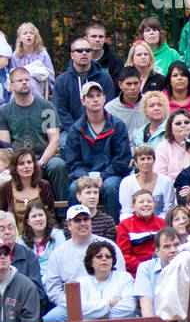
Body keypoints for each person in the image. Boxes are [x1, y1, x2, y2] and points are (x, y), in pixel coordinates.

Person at [61, 80, 132, 218]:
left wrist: (103, 176)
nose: (95, 99)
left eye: (98, 95)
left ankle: (114, 228)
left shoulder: (118, 126)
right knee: (74, 189)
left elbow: (122, 159)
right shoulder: (76, 129)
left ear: (104, 98)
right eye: (90, 96)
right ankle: (75, 227)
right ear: (82, 101)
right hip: (83, 175)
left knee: (112, 187)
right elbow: (72, 162)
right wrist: (86, 178)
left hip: (110, 175)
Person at [53, 35, 117, 131]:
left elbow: (109, 105)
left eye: (88, 50)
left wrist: (97, 129)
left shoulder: (104, 78)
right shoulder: (62, 81)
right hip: (70, 131)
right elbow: (60, 111)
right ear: (72, 55)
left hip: (101, 129)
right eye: (79, 50)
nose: (84, 53)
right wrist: (76, 131)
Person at [10, 22, 55, 99]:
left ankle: (38, 104)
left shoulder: (42, 54)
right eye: (25, 33)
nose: (28, 35)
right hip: (20, 87)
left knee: (32, 83)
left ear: (35, 37)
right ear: (20, 38)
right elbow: (13, 74)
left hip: (39, 86)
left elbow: (50, 74)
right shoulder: (16, 56)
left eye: (31, 33)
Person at [153, 110, 190, 180]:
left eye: (187, 122)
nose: (183, 125)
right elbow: (159, 177)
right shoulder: (163, 148)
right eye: (178, 123)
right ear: (171, 129)